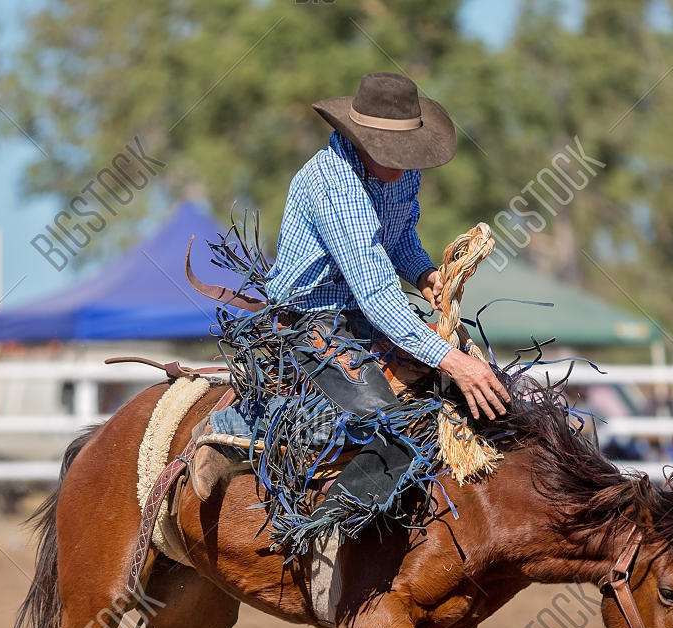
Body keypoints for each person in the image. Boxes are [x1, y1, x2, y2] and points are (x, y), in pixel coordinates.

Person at [190, 71, 510, 507]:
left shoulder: (400, 173)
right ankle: (239, 428)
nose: (404, 164)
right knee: (380, 419)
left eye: (409, 153)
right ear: (361, 142)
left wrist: (422, 273)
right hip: (308, 320)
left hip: (361, 318)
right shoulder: (334, 185)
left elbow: (397, 236)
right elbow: (377, 294)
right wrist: (452, 359)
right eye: (393, 153)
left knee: (435, 399)